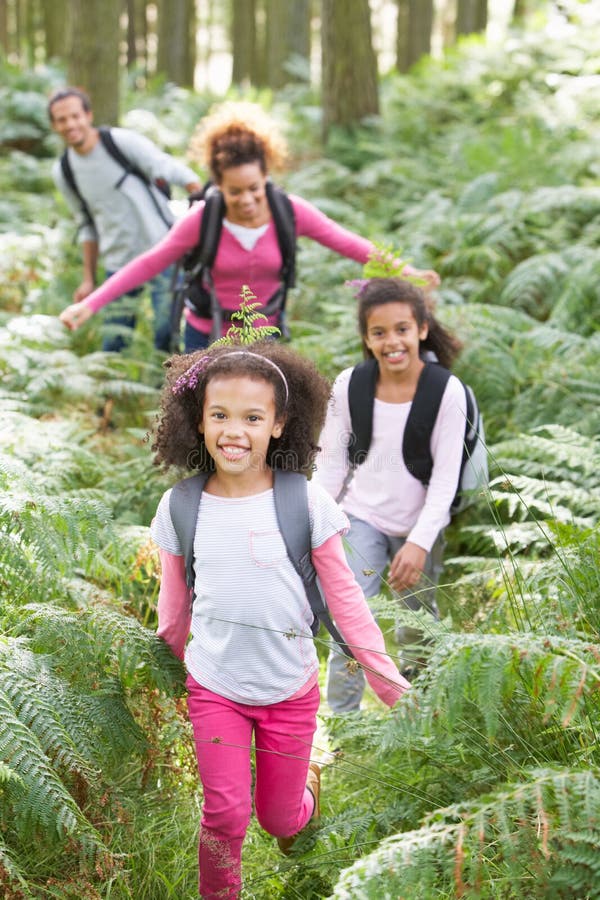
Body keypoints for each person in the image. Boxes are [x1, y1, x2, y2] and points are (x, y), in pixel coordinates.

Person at [149, 341, 409, 898]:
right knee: (224, 814)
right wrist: (157, 682)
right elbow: (172, 612)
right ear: (197, 422)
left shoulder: (305, 502)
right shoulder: (181, 506)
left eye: (252, 417)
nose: (233, 431)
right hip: (214, 685)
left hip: (289, 690)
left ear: (279, 424)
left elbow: (346, 603)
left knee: (279, 819)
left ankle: (305, 799)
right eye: (219, 415)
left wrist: (389, 686)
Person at [59, 101, 439, 352]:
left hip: (265, 336)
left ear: (267, 177)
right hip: (205, 337)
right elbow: (148, 263)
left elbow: (351, 245)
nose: (246, 200)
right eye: (234, 191)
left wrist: (408, 274)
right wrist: (91, 304)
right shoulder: (201, 220)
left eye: (254, 189)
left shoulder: (290, 211)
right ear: (218, 186)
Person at [313, 277, 466, 713]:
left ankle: (419, 710)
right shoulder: (350, 385)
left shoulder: (445, 391)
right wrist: (314, 521)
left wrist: (418, 544)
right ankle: (345, 725)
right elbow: (330, 464)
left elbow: (445, 479)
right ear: (366, 337)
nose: (391, 341)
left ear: (421, 329)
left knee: (416, 623)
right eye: (379, 333)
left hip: (422, 525)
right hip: (360, 517)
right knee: (352, 615)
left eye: (402, 329)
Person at [49, 86, 202, 352]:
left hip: (161, 251)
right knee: (114, 342)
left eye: (75, 116)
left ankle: (168, 390)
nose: (70, 124)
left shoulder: (120, 142)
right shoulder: (65, 171)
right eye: (61, 120)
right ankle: (113, 394)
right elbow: (86, 224)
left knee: (167, 334)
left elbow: (165, 166)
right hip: (117, 261)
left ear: (88, 115)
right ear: (54, 126)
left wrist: (200, 196)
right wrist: (88, 278)